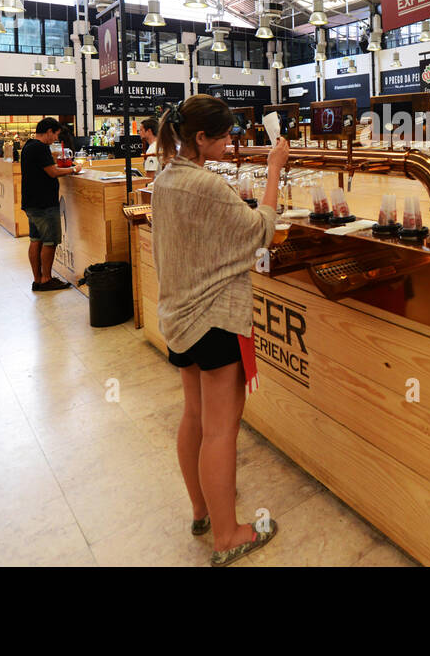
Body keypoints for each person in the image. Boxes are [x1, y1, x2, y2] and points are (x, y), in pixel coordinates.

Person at [150, 95, 290, 566]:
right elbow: (260, 230)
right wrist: (274, 169)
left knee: (194, 417)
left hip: (179, 315)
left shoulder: (166, 177)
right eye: (224, 136)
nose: (231, 144)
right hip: (213, 317)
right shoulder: (204, 185)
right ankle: (229, 536)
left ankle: (201, 510)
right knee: (221, 430)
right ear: (201, 139)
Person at [21, 118, 82, 291]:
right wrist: (73, 169)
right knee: (50, 241)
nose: (55, 138)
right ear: (49, 131)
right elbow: (52, 172)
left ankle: (37, 279)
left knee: (35, 240)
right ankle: (46, 279)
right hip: (44, 203)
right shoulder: (40, 148)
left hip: (31, 202)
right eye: (55, 134)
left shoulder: (28, 146)